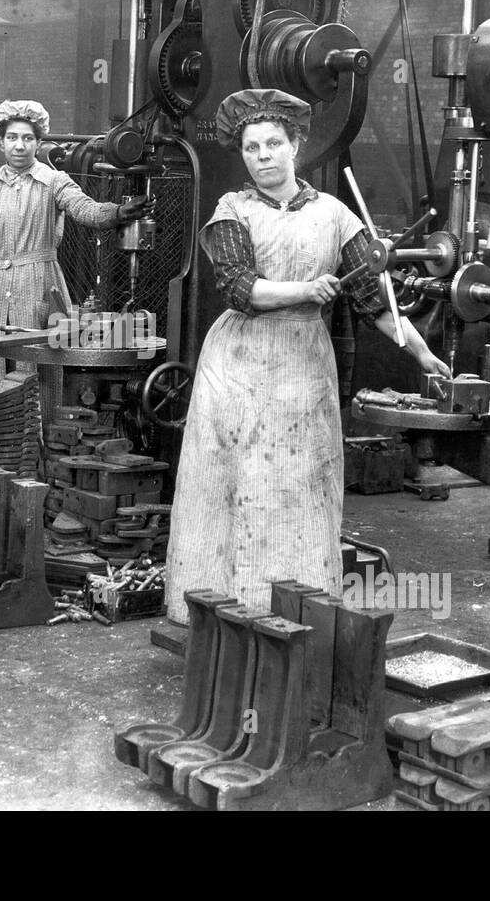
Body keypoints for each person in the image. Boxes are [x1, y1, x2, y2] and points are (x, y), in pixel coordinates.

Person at [164, 88, 451, 625]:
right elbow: (239, 289)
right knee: (235, 482)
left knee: (299, 485)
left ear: (296, 145)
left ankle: (296, 608)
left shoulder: (336, 215)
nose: (263, 155)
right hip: (239, 365)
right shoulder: (232, 209)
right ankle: (224, 609)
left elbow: (376, 303)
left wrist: (422, 353)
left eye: (274, 143)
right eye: (252, 148)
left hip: (303, 366)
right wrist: (306, 290)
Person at [0, 99, 150, 389]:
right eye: (12, 138)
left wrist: (115, 212)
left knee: (38, 376)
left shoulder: (53, 181)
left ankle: (37, 435)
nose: (19, 146)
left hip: (40, 290)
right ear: (1, 142)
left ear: (38, 143)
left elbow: (84, 208)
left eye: (27, 138)